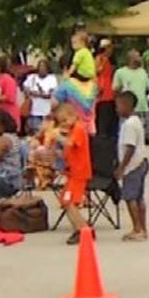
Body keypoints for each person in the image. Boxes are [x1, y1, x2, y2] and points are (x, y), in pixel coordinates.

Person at [49, 103, 93, 244]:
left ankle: (83, 229)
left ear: (74, 116)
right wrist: (56, 153)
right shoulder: (74, 129)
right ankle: (79, 227)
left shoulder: (79, 129)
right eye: (61, 122)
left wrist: (57, 137)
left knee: (69, 201)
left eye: (65, 120)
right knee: (65, 200)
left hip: (79, 173)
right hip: (72, 172)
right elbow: (69, 151)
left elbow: (70, 144)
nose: (64, 125)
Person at [113, 91, 149, 241]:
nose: (117, 109)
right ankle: (143, 228)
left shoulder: (129, 125)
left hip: (132, 166)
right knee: (139, 197)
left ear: (127, 105)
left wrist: (121, 167)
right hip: (141, 162)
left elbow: (130, 147)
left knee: (130, 197)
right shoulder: (136, 121)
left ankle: (137, 228)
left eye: (118, 106)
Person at [56, 31, 98, 134]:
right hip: (89, 128)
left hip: (73, 128)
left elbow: (55, 103)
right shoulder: (93, 87)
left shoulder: (67, 85)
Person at [112, 50, 149, 134]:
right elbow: (115, 91)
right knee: (126, 134)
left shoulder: (143, 72)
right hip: (127, 110)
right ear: (131, 58)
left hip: (142, 108)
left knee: (143, 134)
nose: (140, 58)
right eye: (138, 56)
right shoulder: (120, 72)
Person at [22, 59, 58, 135]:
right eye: (40, 66)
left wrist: (37, 94)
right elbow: (25, 87)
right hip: (33, 111)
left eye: (44, 66)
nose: (42, 68)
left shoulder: (52, 79)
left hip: (46, 112)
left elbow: (49, 95)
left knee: (45, 134)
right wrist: (28, 92)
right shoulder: (32, 77)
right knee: (34, 133)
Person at [94, 38, 118, 139]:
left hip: (110, 91)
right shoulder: (100, 58)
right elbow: (96, 71)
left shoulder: (110, 60)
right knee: (103, 116)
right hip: (102, 92)